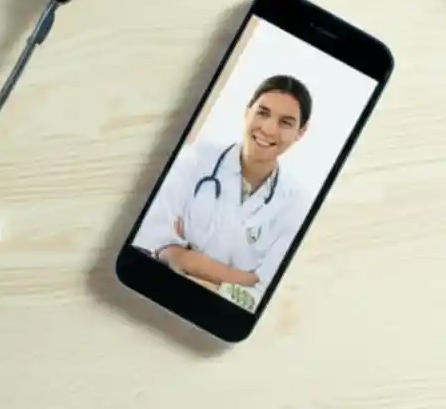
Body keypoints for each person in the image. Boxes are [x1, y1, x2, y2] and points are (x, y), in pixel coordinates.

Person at [133, 75, 313, 305]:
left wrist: (187, 258)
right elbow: (150, 240)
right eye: (262, 113)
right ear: (247, 112)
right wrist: (241, 278)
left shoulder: (296, 204)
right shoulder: (195, 158)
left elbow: (260, 295)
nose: (268, 129)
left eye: (285, 122)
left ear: (301, 131)